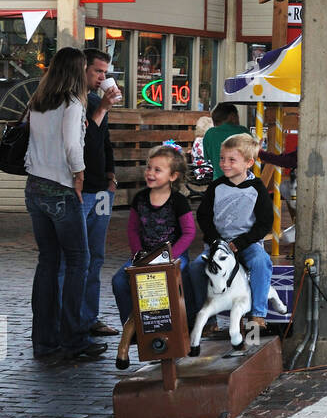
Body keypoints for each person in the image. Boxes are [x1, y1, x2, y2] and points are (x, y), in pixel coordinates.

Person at [25, 47, 105, 361]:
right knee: (78, 262)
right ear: (75, 71)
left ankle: (43, 340)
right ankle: (74, 337)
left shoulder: (38, 101)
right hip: (60, 188)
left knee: (47, 263)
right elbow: (72, 146)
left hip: (34, 188)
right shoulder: (72, 103)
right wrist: (80, 177)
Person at [58, 47, 124, 338]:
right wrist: (102, 109)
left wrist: (111, 176)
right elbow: (83, 144)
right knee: (73, 259)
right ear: (83, 69)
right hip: (78, 191)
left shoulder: (97, 102)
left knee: (96, 256)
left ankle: (88, 317)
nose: (102, 78)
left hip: (100, 191)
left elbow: (103, 141)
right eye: (97, 71)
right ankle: (67, 320)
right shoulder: (72, 103)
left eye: (105, 73)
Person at [190, 133, 275, 330]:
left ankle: (257, 314)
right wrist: (215, 240)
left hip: (247, 243)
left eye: (231, 160)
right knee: (195, 269)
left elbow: (264, 224)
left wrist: (242, 242)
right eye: (222, 159)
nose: (225, 164)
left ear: (248, 162)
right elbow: (204, 216)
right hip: (218, 244)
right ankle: (208, 319)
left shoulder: (257, 188)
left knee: (262, 262)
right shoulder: (216, 186)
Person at [110, 144, 197, 326]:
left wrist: (170, 256)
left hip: (173, 256)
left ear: (173, 176)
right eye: (149, 168)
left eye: (158, 170)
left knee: (180, 278)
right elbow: (133, 229)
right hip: (144, 256)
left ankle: (187, 323)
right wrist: (138, 255)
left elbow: (189, 232)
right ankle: (132, 325)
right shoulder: (140, 198)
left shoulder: (178, 201)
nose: (150, 173)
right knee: (119, 281)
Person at [203, 103, 248, 180]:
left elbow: (208, 157)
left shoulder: (210, 134)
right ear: (232, 116)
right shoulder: (243, 131)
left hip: (218, 182)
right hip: (241, 181)